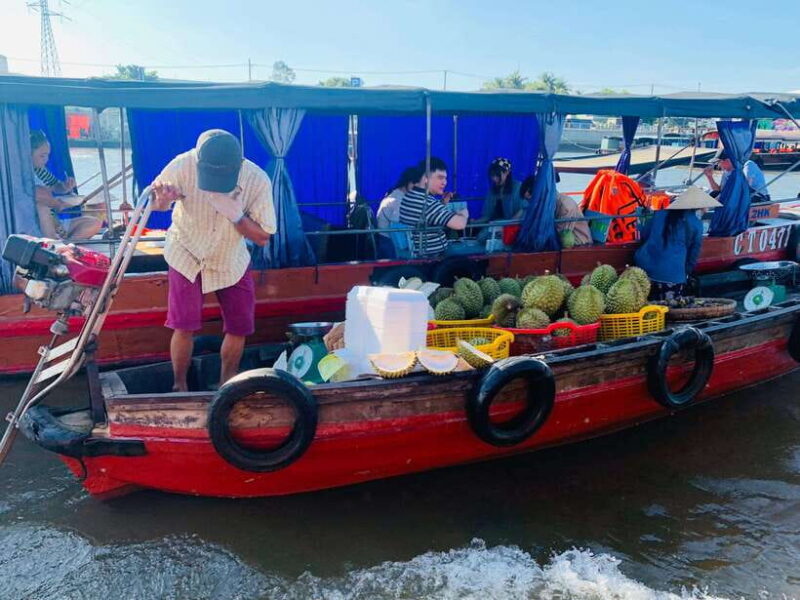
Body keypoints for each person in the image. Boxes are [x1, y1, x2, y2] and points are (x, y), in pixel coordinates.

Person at [151, 129, 276, 392]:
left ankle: (226, 385)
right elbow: (155, 203)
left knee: (240, 324)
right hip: (187, 250)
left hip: (229, 256)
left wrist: (237, 216)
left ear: (239, 165)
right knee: (183, 324)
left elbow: (263, 236)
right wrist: (162, 200)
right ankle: (179, 386)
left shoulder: (257, 179)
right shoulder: (182, 165)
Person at [634, 187, 721, 299]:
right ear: (697, 207)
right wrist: (685, 273)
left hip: (643, 269)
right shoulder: (696, 224)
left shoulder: (659, 214)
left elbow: (644, 234)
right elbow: (693, 255)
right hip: (671, 275)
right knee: (667, 309)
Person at [31, 130, 102, 240]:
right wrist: (57, 204)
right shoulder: (21, 174)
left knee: (94, 223)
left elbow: (56, 186)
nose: (46, 159)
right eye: (42, 156)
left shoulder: (41, 170)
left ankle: (67, 244)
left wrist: (65, 187)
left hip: (56, 222)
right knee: (42, 208)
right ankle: (55, 242)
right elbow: (38, 193)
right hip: (40, 223)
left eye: (47, 155)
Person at [398, 157, 467, 257]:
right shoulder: (427, 203)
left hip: (418, 250)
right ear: (426, 178)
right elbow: (460, 224)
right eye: (440, 178)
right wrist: (463, 211)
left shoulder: (409, 196)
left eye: (445, 178)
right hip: (434, 256)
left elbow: (428, 215)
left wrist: (442, 203)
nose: (445, 182)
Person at [520, 173, 592, 246]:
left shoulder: (565, 206)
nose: (531, 204)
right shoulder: (543, 206)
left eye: (531, 200)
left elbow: (563, 235)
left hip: (579, 243)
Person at [703, 148, 770, 202]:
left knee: (727, 197)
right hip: (740, 197)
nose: (718, 165)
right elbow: (719, 190)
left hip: (758, 198)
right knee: (712, 195)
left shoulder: (748, 165)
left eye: (719, 162)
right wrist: (709, 177)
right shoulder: (727, 171)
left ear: (728, 160)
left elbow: (743, 187)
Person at [478, 157, 524, 222]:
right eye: (492, 175)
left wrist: (509, 225)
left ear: (507, 172)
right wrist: (475, 222)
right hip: (494, 226)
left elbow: (523, 209)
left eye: (497, 175)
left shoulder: (518, 187)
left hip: (513, 226)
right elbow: (487, 215)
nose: (494, 178)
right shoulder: (492, 191)